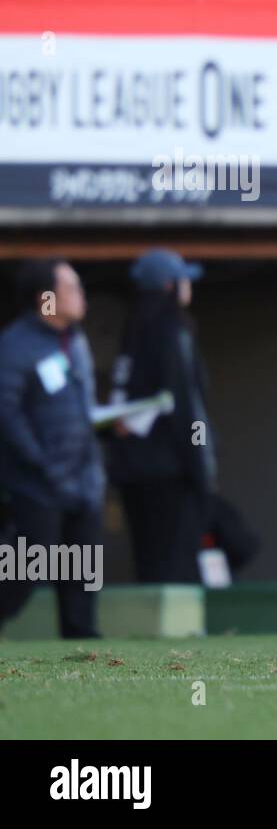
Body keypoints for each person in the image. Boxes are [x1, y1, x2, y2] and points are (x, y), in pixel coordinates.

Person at [0, 259, 104, 639]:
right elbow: (6, 412)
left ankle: (83, 640)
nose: (81, 296)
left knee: (82, 566)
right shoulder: (15, 345)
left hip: (84, 477)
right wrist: (39, 459)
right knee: (27, 566)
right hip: (38, 482)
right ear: (45, 298)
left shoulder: (75, 340)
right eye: (71, 288)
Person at [108, 249, 215, 584]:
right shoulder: (171, 330)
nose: (189, 286)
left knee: (150, 558)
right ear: (169, 285)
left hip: (132, 467)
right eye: (183, 280)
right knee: (173, 560)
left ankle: (157, 628)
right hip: (169, 468)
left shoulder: (133, 327)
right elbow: (183, 404)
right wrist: (202, 468)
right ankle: (177, 632)